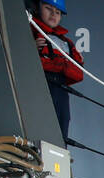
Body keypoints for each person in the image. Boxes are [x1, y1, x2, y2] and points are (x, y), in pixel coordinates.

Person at [31, 0, 84, 143]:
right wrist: (30, 49)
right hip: (39, 82)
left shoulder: (67, 43)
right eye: (48, 8)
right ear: (37, 7)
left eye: (58, 12)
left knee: (63, 118)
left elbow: (79, 72)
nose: (53, 14)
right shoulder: (30, 31)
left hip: (61, 87)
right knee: (40, 117)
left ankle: (60, 154)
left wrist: (58, 65)